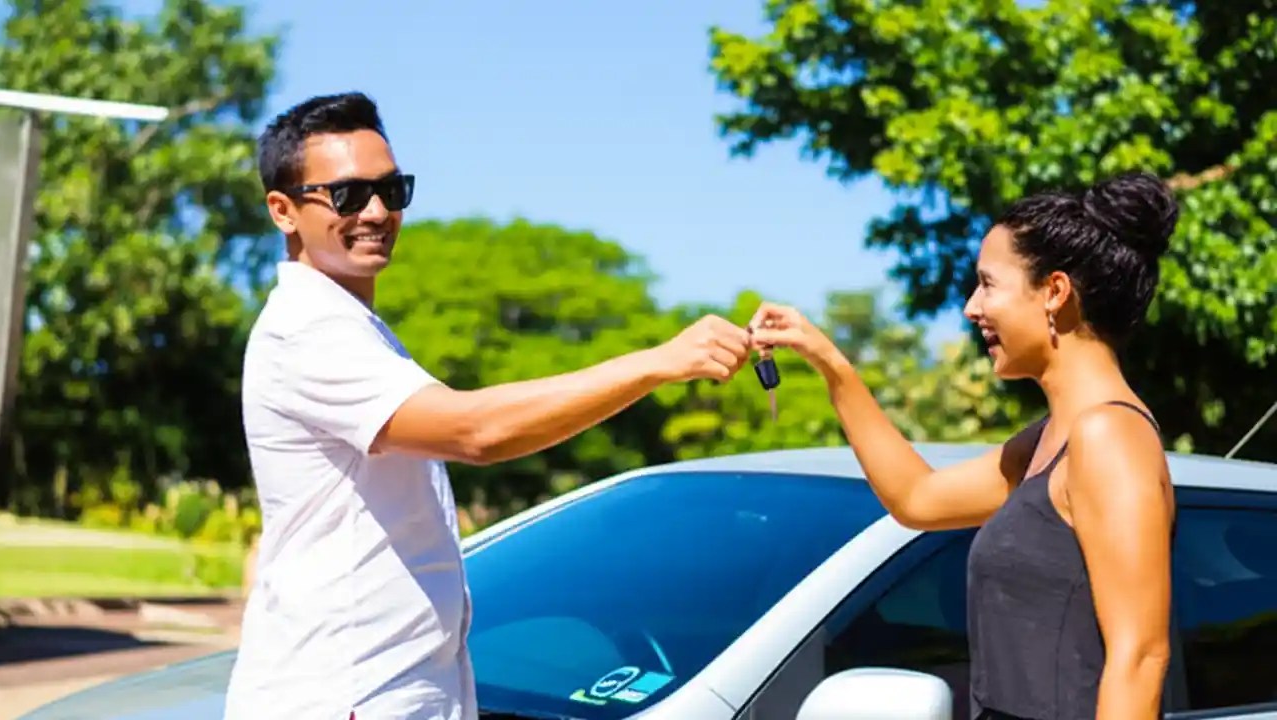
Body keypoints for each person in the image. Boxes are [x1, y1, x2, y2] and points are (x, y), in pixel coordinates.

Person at [223, 91, 753, 720]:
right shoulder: (309, 330)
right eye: (347, 195)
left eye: (393, 191)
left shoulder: (356, 328)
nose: (376, 211)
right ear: (283, 211)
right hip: (347, 693)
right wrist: (662, 361)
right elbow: (477, 432)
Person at [748, 171, 1179, 720]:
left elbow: (1140, 657)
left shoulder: (1109, 437)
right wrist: (830, 364)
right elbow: (918, 499)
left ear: (1054, 292)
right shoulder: (1046, 443)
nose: (972, 308)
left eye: (988, 284)